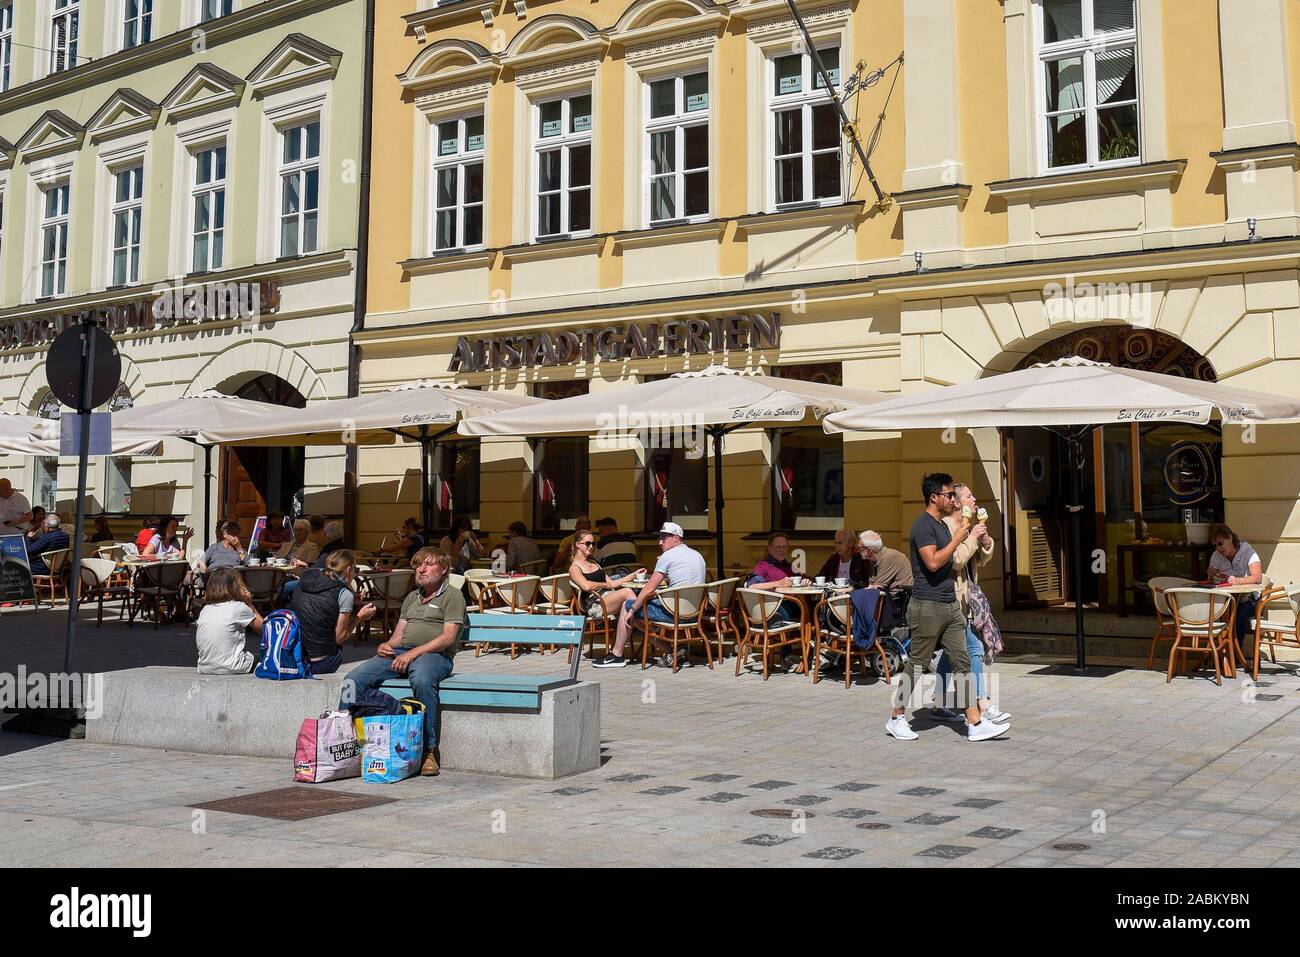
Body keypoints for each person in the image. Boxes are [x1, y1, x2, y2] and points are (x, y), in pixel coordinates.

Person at [884, 473, 1008, 743]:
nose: (952, 498)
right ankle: (896, 716)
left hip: (950, 604)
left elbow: (958, 560)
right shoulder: (923, 527)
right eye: (949, 494)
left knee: (963, 661)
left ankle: (975, 722)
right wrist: (961, 537)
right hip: (926, 605)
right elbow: (933, 562)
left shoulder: (942, 525)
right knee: (917, 664)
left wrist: (970, 536)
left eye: (954, 494)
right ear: (934, 498)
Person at [341, 547, 466, 777]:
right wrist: (385, 645)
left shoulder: (452, 595)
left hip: (435, 656)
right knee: (352, 680)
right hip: (402, 653)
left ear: (444, 569)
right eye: (419, 565)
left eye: (428, 564)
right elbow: (399, 635)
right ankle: (346, 739)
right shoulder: (412, 597)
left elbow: (448, 637)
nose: (422, 569)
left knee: (421, 679)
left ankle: (428, 749)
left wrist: (414, 653)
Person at [933, 483, 1008, 724]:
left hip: (966, 600)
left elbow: (979, 560)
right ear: (955, 502)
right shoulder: (945, 528)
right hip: (950, 600)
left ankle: (939, 703)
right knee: (973, 648)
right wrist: (972, 537)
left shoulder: (966, 527)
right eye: (968, 496)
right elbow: (955, 560)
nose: (974, 499)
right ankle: (981, 703)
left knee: (948, 654)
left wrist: (985, 541)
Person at [598, 522, 706, 669]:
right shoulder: (697, 554)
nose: (660, 542)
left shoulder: (667, 556)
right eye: (659, 538)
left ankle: (616, 655)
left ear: (676, 538)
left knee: (628, 606)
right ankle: (672, 651)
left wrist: (633, 609)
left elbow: (649, 589)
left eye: (664, 538)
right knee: (636, 615)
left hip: (673, 613)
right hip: (694, 613)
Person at [288, 549, 376, 675]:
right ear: (348, 569)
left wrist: (349, 598)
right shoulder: (344, 594)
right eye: (355, 570)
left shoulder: (305, 579)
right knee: (338, 647)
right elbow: (339, 638)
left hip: (294, 657)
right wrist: (359, 617)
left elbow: (322, 597)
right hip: (320, 663)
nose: (354, 574)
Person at [194, 567, 263, 675]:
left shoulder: (205, 609)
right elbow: (264, 629)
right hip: (232, 666)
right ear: (235, 587)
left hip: (205, 667)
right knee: (265, 656)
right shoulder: (238, 607)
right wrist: (248, 603)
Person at [1208, 523, 1264, 652]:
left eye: (1220, 543)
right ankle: (1216, 652)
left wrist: (1238, 580)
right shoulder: (1216, 555)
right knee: (1211, 615)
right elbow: (1212, 581)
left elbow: (1257, 577)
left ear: (1230, 537)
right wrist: (1212, 575)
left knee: (1236, 617)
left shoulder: (1247, 551)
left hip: (1248, 600)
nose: (1218, 548)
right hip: (1225, 600)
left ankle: (1233, 653)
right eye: (1215, 545)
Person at [569, 528, 643, 620]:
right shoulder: (575, 568)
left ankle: (646, 629)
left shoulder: (594, 563)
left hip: (608, 598)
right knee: (627, 592)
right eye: (588, 543)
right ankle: (647, 622)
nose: (591, 546)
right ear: (577, 544)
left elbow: (612, 583)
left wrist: (632, 575)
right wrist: (605, 585)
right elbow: (587, 586)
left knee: (627, 607)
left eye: (593, 544)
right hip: (595, 605)